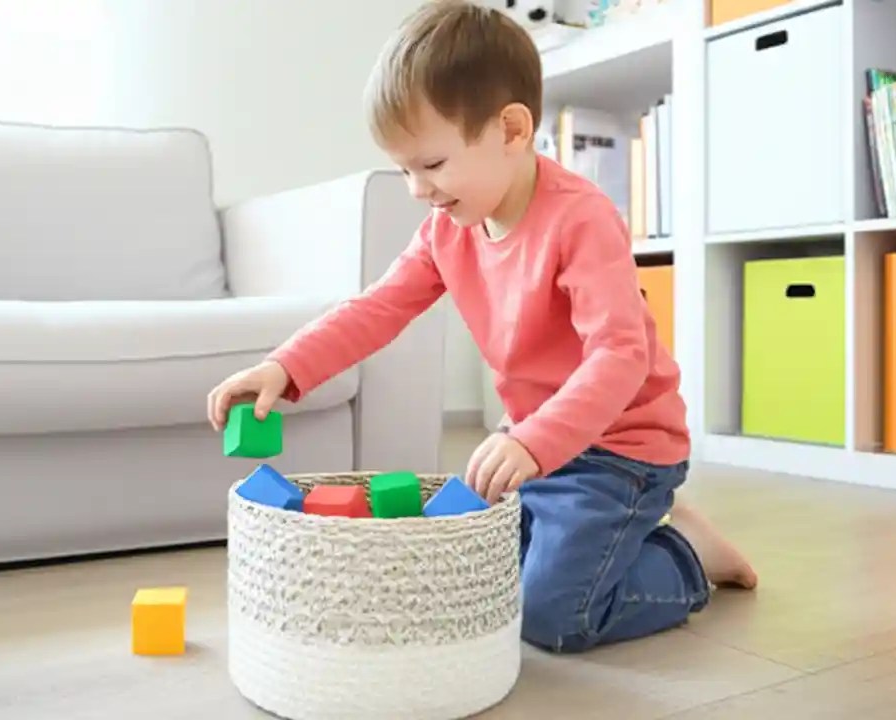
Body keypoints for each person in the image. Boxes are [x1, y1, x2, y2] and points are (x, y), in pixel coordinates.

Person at [206, 0, 757, 653]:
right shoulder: (446, 230)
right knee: (476, 583)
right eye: (405, 169)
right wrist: (285, 367)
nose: (418, 188)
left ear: (513, 130)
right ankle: (622, 538)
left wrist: (534, 441)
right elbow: (376, 308)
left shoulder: (580, 220)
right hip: (533, 443)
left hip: (620, 451)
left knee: (553, 617)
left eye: (432, 165)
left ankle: (687, 554)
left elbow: (620, 356)